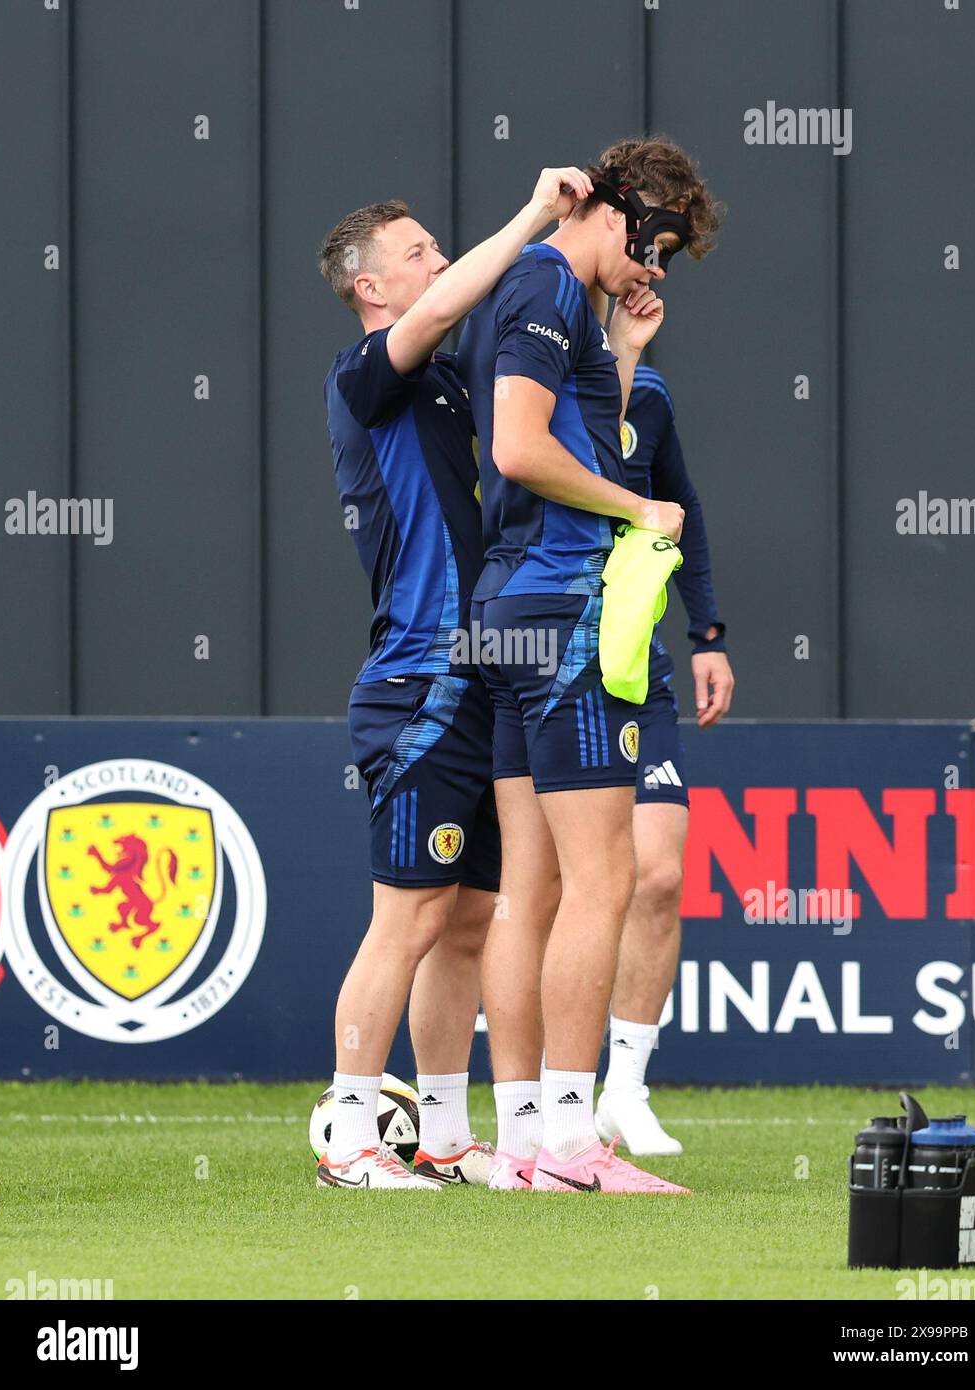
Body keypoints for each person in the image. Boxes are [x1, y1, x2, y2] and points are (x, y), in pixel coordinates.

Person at [317, 166, 593, 1190]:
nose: (437, 263)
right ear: (371, 288)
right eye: (418, 251)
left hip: (475, 670)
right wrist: (534, 218)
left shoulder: (436, 373)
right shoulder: (363, 373)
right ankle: (347, 1132)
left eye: (438, 245)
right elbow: (453, 301)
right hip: (417, 677)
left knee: (467, 918)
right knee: (410, 915)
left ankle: (439, 1133)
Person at [458, 136, 721, 1193]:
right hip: (562, 611)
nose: (653, 268)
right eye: (651, 245)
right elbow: (519, 450)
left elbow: (567, 437)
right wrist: (637, 508)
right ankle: (570, 1140)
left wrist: (615, 349)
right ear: (615, 215)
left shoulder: (563, 301)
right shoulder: (541, 284)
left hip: (508, 611)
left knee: (528, 887)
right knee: (603, 878)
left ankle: (521, 1135)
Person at [595, 362, 734, 1156]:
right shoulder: (524, 383)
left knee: (658, 876)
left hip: (635, 671)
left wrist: (706, 635)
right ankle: (550, 1097)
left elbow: (686, 511)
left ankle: (625, 1089)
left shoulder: (647, 396)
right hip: (541, 663)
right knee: (557, 885)